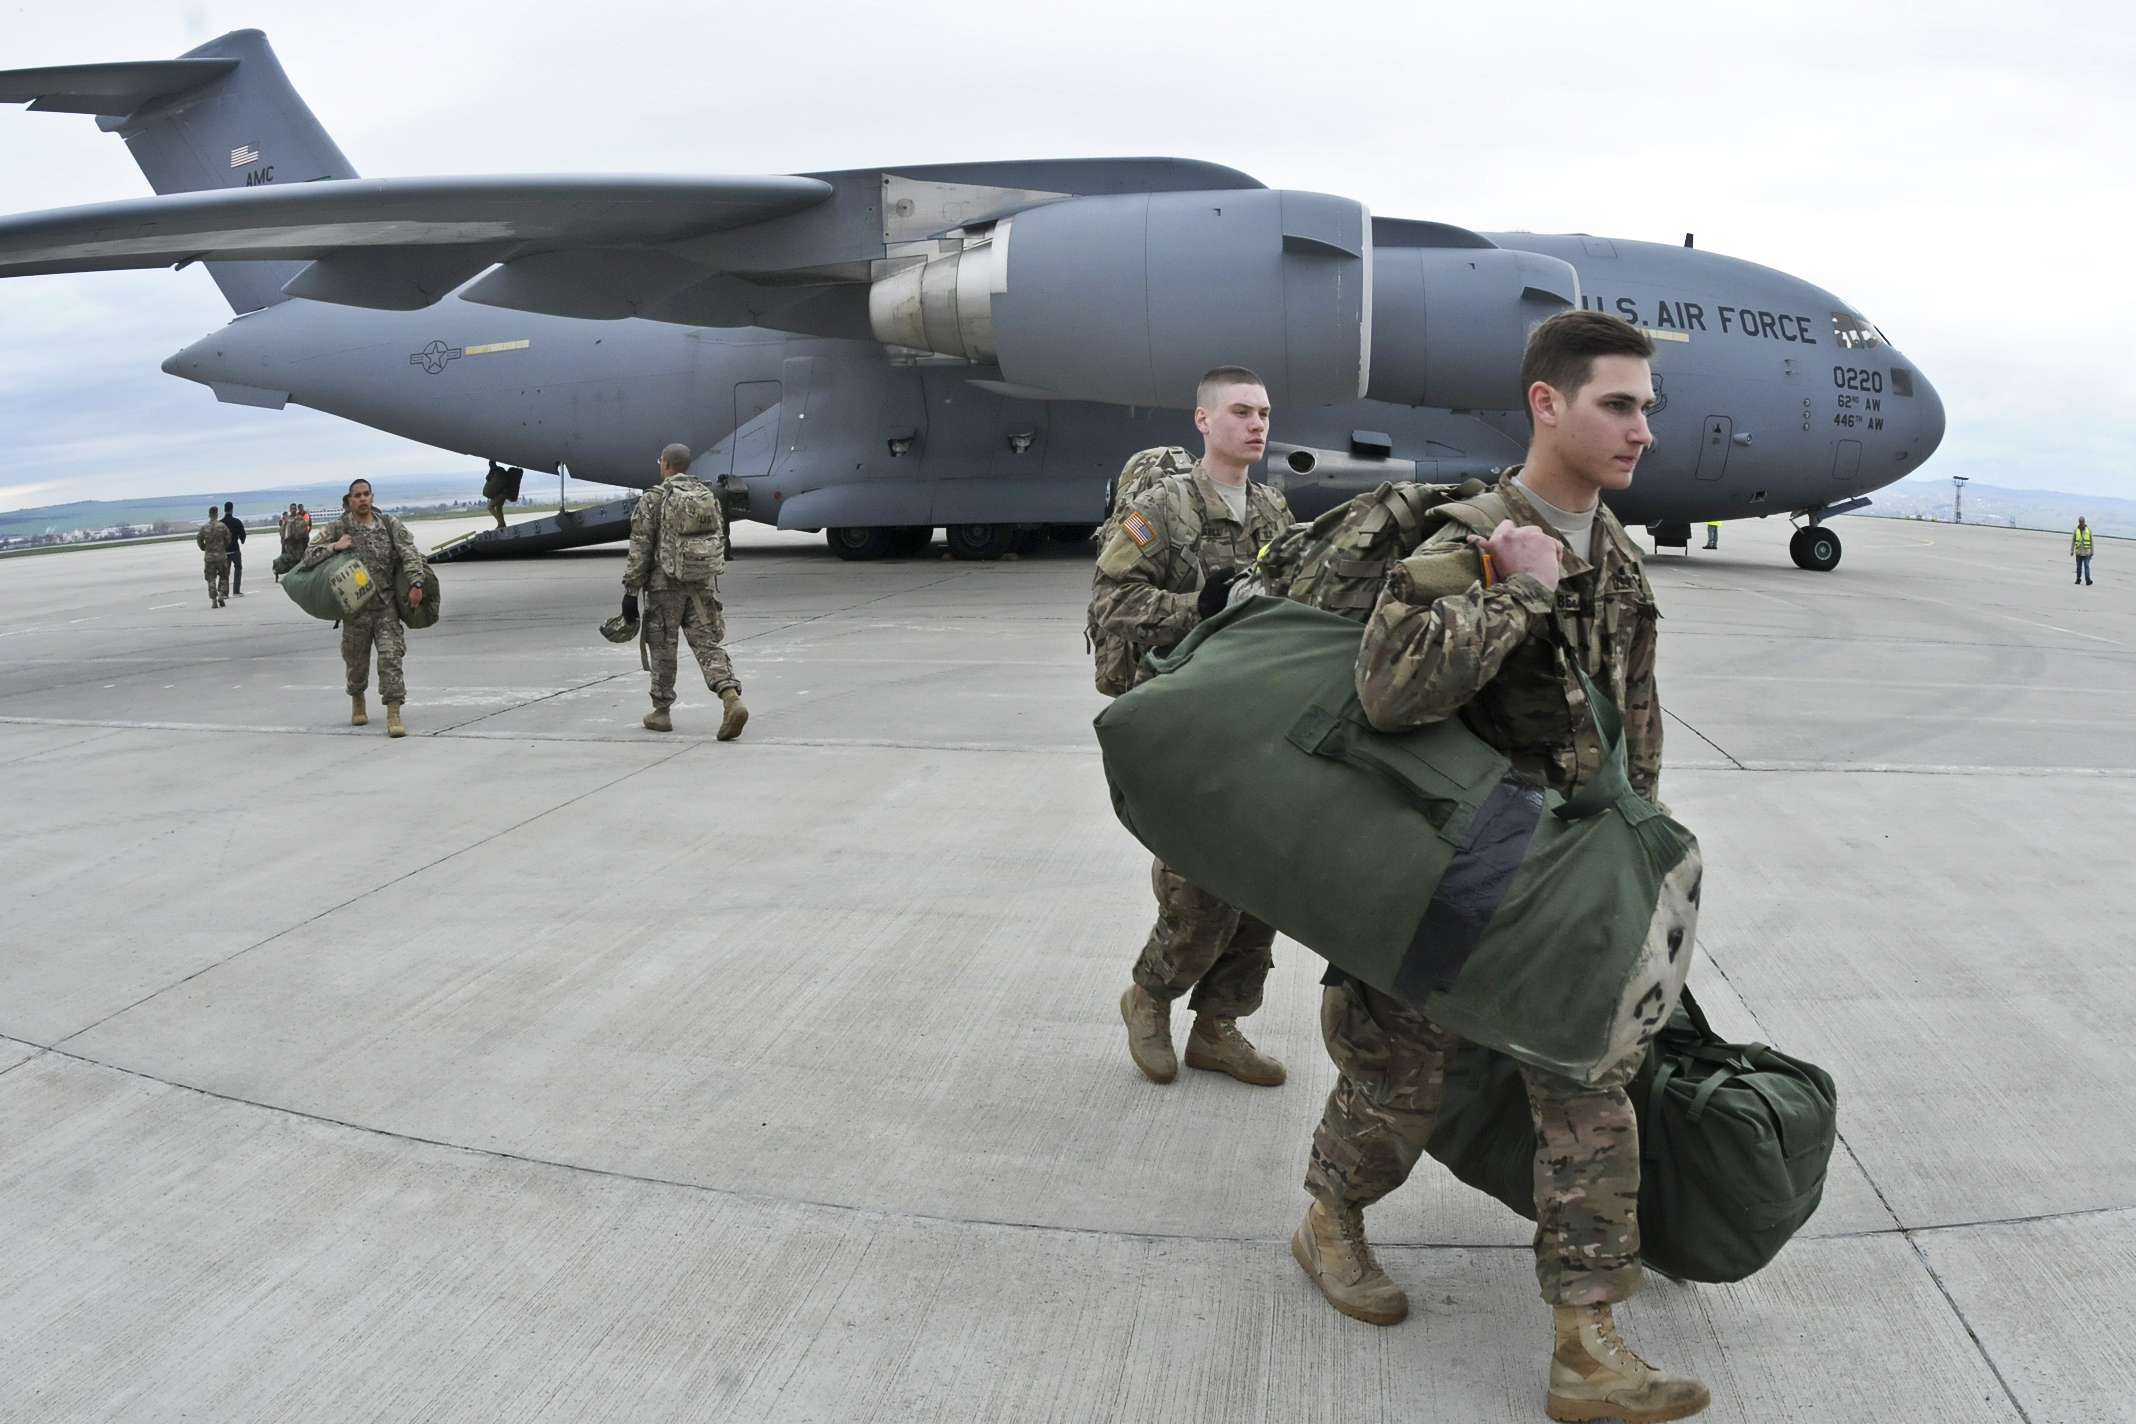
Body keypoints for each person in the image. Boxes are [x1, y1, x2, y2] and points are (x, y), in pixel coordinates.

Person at [1291, 312, 1709, 1421]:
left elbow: (1632, 720)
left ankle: (1586, 1343)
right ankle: (1330, 1214)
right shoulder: (1467, 532)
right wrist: (1516, 588)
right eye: (1618, 404)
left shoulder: (1616, 550)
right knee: (1397, 1091)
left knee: (1589, 1095)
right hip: (1443, 883)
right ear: (1547, 402)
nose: (1642, 430)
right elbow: (1388, 691)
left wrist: (1637, 864)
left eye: (1646, 407)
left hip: (1566, 889)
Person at [1090, 368, 1293, 1088]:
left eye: (1264, 412)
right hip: (1183, 726)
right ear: (1204, 421)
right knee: (1200, 890)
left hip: (1254, 721)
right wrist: (1201, 608)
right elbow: (1112, 603)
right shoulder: (1162, 507)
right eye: (1241, 411)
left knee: (1265, 886)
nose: (1257, 423)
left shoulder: (1273, 511)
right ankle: (1149, 998)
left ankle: (1219, 1028)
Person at [621, 443, 747, 738]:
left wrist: (630, 591)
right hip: (700, 586)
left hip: (664, 589)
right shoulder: (708, 496)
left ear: (665, 464)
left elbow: (640, 547)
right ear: (687, 466)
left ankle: (661, 712)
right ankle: (731, 698)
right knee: (707, 646)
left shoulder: (654, 499)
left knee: (663, 650)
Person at [301, 478, 426, 737]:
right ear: (349, 500)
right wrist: (336, 546)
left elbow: (410, 553)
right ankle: (358, 698)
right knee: (356, 662)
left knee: (391, 658)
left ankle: (394, 712)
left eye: (366, 494)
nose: (362, 499)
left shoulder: (388, 524)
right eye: (356, 495)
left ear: (372, 497)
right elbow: (308, 555)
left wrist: (416, 583)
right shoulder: (340, 526)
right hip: (355, 609)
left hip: (386, 605)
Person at [195, 505, 230, 608]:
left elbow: (199, 540)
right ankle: (221, 595)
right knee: (224, 576)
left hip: (209, 557)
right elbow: (228, 539)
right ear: (217, 514)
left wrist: (205, 548)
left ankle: (214, 600)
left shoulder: (204, 528)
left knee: (211, 578)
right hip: (221, 556)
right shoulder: (222, 526)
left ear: (209, 515)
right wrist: (222, 547)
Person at [221, 501, 248, 595]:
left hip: (224, 551)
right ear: (232, 509)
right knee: (238, 568)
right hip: (235, 550)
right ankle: (236, 590)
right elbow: (242, 534)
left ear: (224, 510)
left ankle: (225, 592)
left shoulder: (221, 523)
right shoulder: (236, 522)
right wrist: (242, 540)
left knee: (225, 572)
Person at [482, 460, 511, 529]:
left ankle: (500, 522)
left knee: (490, 507)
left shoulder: (492, 472)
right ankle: (502, 524)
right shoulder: (501, 469)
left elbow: (488, 478)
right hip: (505, 492)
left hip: (501, 493)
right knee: (499, 508)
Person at [2073, 517, 2094, 585]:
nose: (2081, 523)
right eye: (2080, 521)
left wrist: (2092, 552)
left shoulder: (2088, 530)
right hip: (2079, 552)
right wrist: (2072, 550)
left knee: (2087, 566)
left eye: (2082, 521)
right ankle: (2078, 579)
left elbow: (2091, 541)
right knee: (2079, 567)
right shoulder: (2076, 530)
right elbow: (2073, 541)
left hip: (2086, 552)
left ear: (2084, 521)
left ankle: (2088, 579)